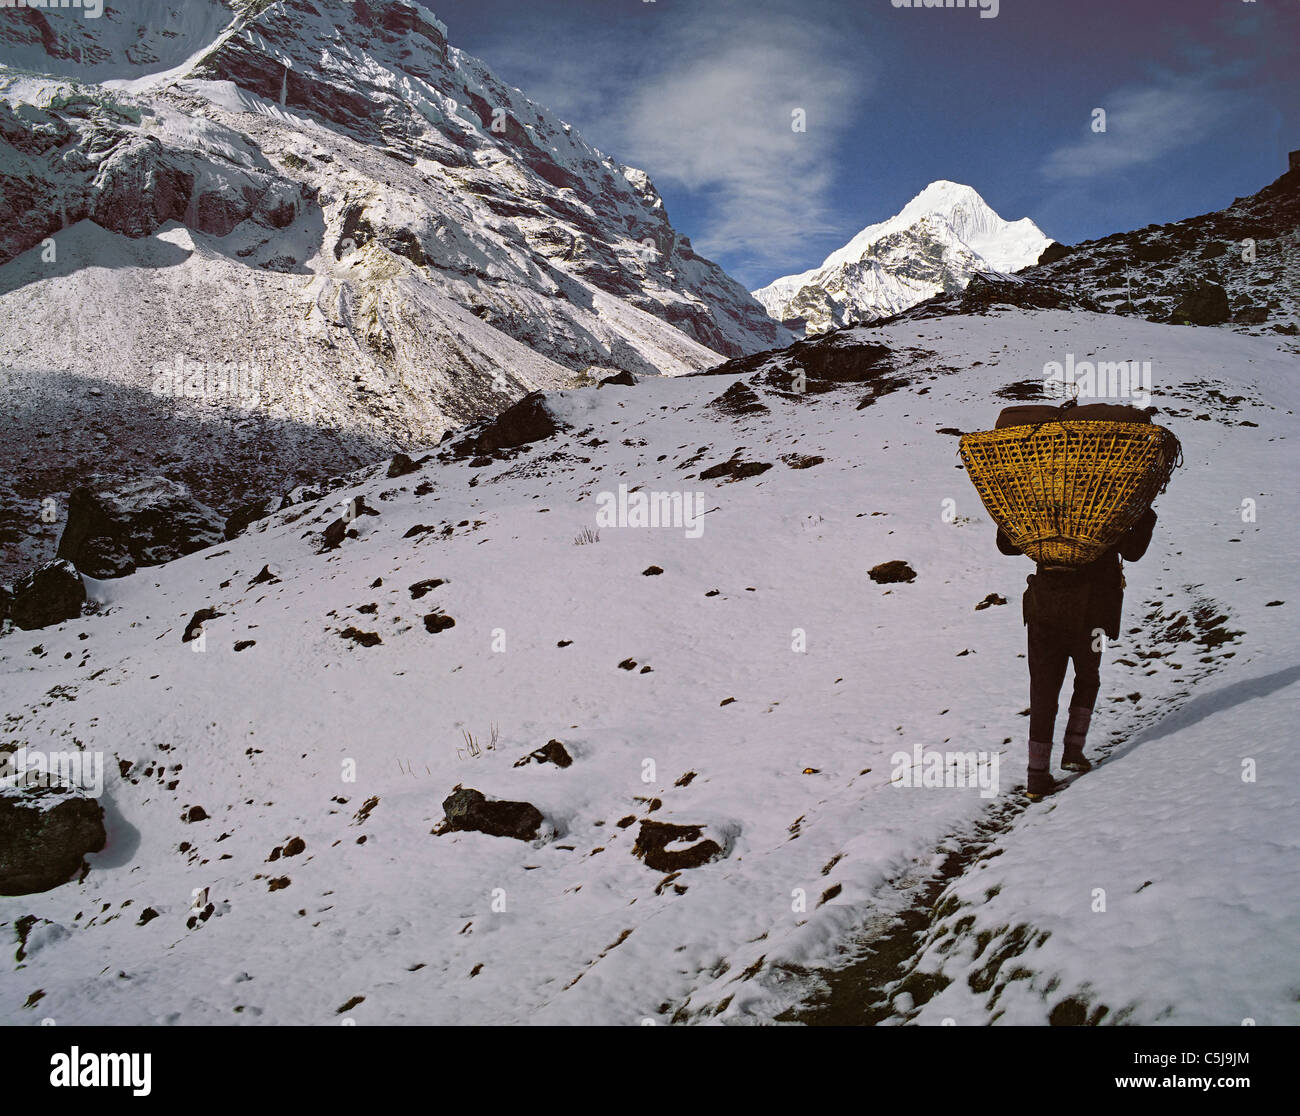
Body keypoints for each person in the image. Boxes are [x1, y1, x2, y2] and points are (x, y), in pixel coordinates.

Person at [997, 506, 1157, 800]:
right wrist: (1144, 512)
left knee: (1043, 690)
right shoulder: (1106, 504)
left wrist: (1011, 511)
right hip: (1093, 617)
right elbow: (1132, 551)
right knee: (1089, 677)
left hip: (1043, 611)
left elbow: (1006, 545)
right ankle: (1073, 750)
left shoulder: (1039, 502)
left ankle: (1036, 777)